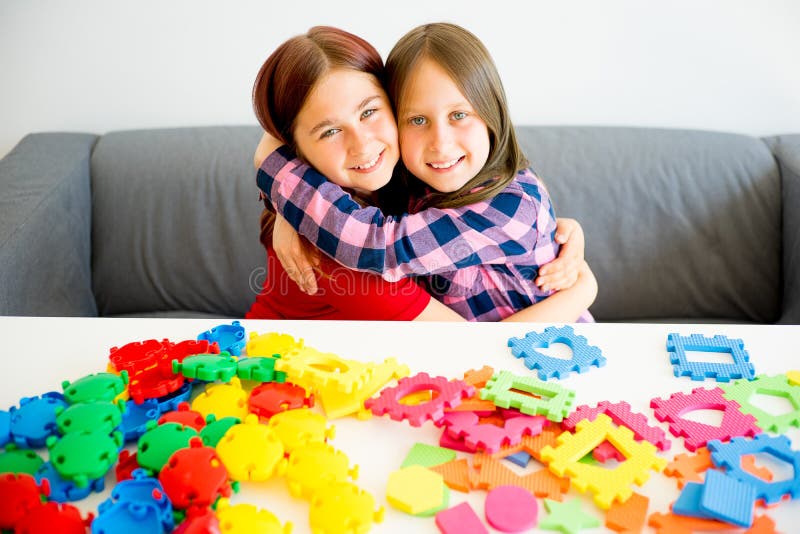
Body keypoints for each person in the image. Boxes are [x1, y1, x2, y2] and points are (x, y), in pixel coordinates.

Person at [249, 25, 596, 322]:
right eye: (418, 120)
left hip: (555, 352)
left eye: (369, 112)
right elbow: (465, 346)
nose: (440, 144)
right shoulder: (333, 242)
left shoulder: (436, 183)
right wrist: (280, 196)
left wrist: (578, 278)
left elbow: (376, 240)